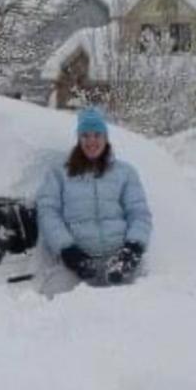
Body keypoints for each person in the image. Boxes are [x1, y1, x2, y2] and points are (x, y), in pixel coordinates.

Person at [35, 107, 152, 295]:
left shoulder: (126, 172)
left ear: (106, 137)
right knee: (51, 301)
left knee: (146, 301)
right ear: (78, 138)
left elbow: (139, 213)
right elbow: (48, 212)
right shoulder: (59, 174)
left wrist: (132, 249)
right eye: (85, 135)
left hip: (120, 260)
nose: (91, 141)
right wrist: (68, 251)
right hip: (76, 262)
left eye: (97, 135)